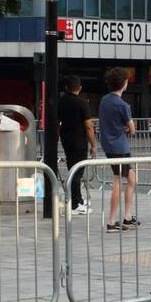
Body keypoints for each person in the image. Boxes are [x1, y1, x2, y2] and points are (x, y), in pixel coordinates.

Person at [98, 66, 138, 230]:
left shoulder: (104, 100)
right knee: (118, 180)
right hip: (120, 146)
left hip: (108, 145)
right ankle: (111, 221)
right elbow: (132, 128)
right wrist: (128, 128)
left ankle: (127, 216)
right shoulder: (123, 105)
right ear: (124, 83)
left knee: (131, 178)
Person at [59, 75, 95, 215]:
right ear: (79, 88)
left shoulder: (61, 102)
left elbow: (57, 122)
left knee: (72, 169)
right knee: (77, 172)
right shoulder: (81, 103)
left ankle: (78, 199)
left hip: (66, 140)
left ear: (66, 87)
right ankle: (74, 204)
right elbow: (88, 126)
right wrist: (93, 144)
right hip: (79, 141)